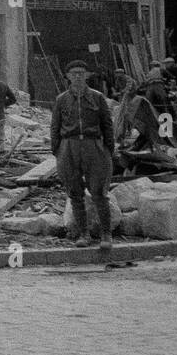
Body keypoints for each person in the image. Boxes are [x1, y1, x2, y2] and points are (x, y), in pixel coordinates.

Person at [50, 59, 115, 251]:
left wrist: (108, 150)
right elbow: (55, 126)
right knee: (75, 193)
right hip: (68, 147)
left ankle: (106, 234)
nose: (77, 76)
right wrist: (58, 150)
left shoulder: (98, 97)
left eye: (81, 73)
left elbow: (107, 125)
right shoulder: (61, 99)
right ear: (68, 77)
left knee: (99, 193)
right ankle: (83, 234)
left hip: (93, 146)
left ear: (86, 76)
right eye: (73, 73)